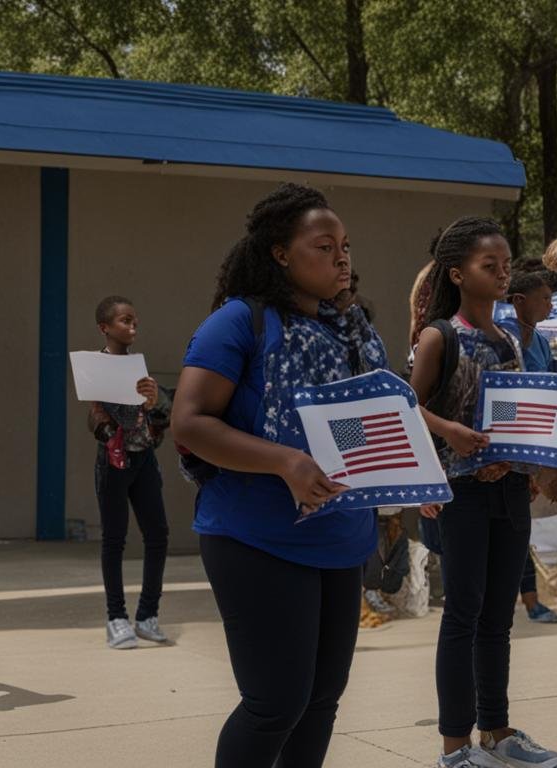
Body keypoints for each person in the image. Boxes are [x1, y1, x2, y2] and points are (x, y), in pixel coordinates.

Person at [171, 183, 385, 767]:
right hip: (256, 537)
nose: (342, 258)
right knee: (275, 703)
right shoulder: (238, 323)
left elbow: (359, 428)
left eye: (346, 246)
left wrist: (397, 475)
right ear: (280, 254)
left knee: (320, 702)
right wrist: (285, 461)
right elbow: (189, 422)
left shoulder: (353, 331)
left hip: (340, 537)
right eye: (324, 247)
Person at [410, 216, 557, 768]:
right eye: (489, 265)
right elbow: (405, 407)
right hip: (462, 495)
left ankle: (497, 732)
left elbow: (514, 415)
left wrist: (523, 458)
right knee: (463, 616)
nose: (502, 274)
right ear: (457, 274)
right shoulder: (439, 336)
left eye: (506, 265)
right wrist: (449, 431)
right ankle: (455, 748)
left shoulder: (508, 338)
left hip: (510, 491)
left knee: (499, 619)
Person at [87, 295, 172, 649]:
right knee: (114, 539)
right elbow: (98, 416)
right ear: (104, 328)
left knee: (158, 534)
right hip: (114, 463)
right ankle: (116, 618)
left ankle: (147, 615)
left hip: (144, 459)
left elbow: (156, 418)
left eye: (135, 320)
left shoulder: (139, 366)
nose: (133, 325)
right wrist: (116, 419)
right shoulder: (96, 367)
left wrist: (154, 401)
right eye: (125, 320)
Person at [498, 268, 557, 625]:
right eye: (544, 298)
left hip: (532, 450)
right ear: (519, 301)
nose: (549, 306)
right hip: (503, 452)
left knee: (520, 531)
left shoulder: (540, 341)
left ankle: (529, 600)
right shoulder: (501, 338)